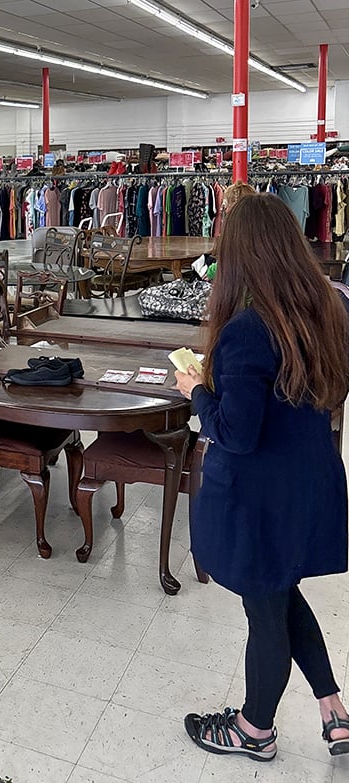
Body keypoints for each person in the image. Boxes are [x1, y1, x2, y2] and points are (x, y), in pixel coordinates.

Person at [175, 192, 349, 762]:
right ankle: (332, 708)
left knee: (265, 608)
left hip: (260, 497)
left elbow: (235, 431)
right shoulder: (326, 310)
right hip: (311, 482)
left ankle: (255, 730)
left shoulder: (247, 331)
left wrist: (197, 389)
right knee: (280, 593)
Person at [192, 180, 256, 281]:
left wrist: (211, 272)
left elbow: (233, 260)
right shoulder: (255, 226)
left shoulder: (238, 231)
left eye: (226, 203)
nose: (224, 209)